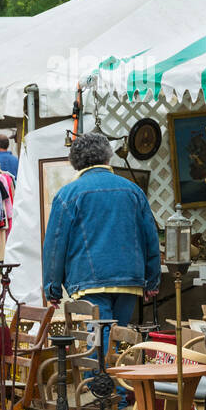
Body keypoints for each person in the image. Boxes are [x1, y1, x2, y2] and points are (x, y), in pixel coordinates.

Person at [42, 132, 159, 325]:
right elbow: (150, 238)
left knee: (97, 339)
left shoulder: (67, 195)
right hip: (129, 279)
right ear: (107, 156)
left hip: (88, 280)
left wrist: (52, 289)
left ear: (74, 161)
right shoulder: (133, 190)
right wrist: (152, 281)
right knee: (118, 335)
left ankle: (103, 355)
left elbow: (55, 247)